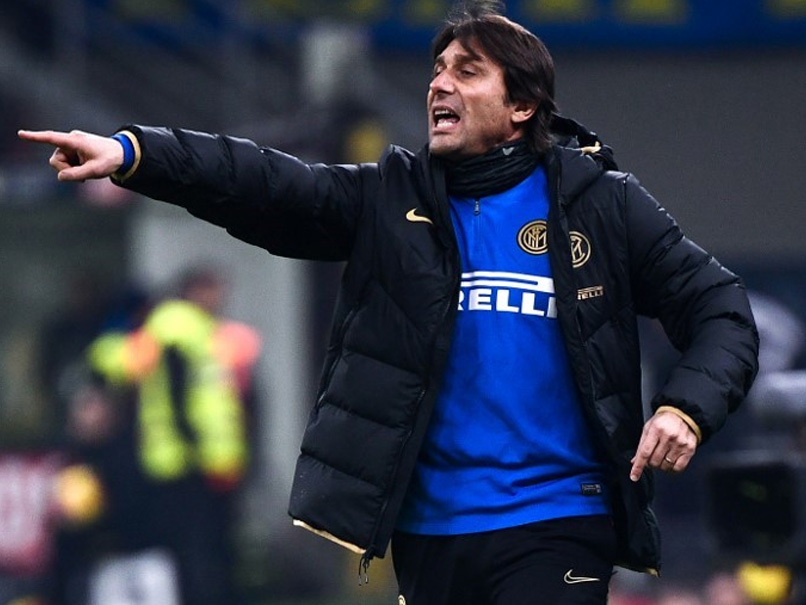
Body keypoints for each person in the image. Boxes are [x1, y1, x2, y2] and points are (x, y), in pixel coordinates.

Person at [18, 1, 758, 602]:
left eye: (467, 71)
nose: (439, 85)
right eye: (436, 70)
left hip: (559, 521)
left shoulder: (602, 206)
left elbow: (720, 307)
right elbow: (265, 182)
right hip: (431, 533)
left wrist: (683, 407)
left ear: (523, 105)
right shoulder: (389, 200)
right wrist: (136, 153)